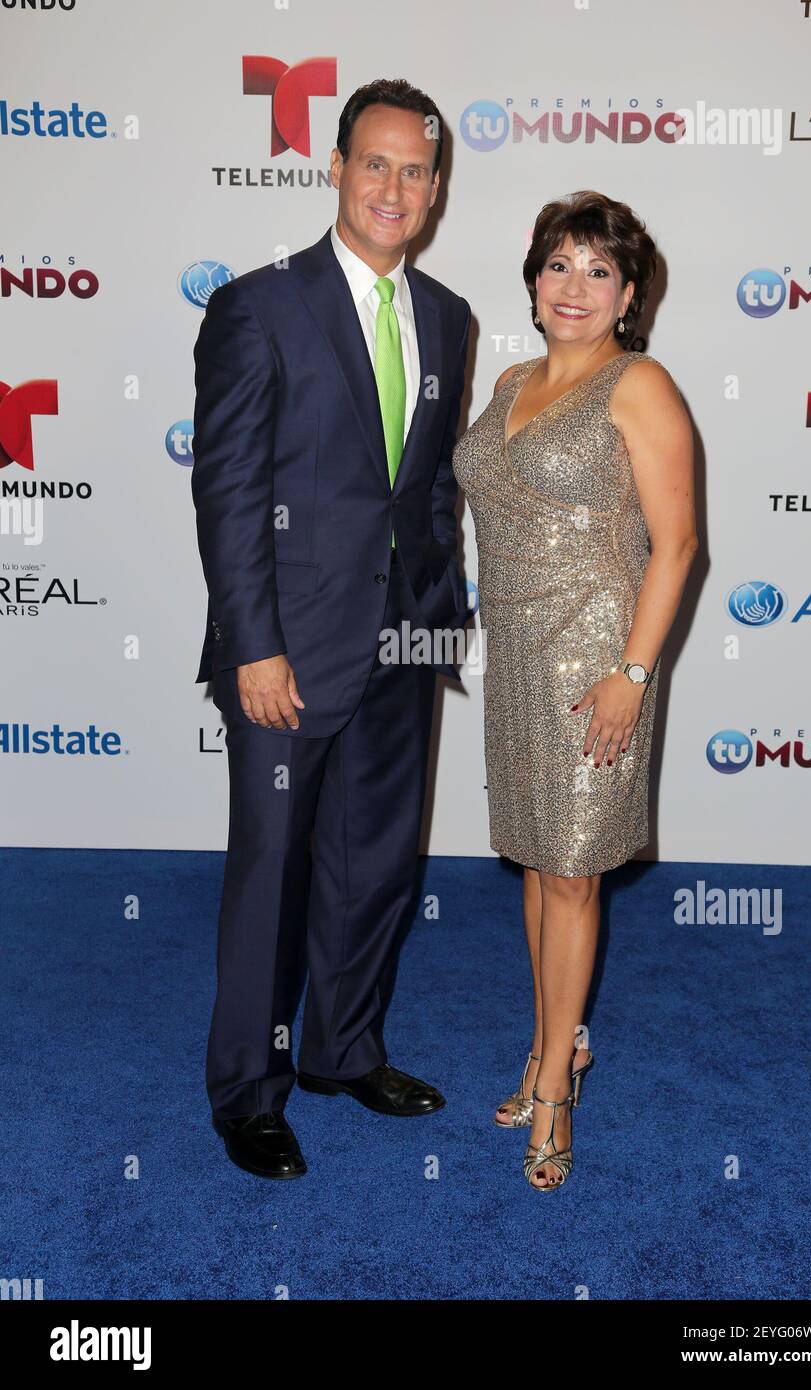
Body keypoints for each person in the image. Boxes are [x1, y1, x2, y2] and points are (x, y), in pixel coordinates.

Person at [191, 78, 471, 1180]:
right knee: (271, 877)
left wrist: (439, 621)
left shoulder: (445, 314)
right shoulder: (261, 305)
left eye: (414, 169)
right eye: (375, 162)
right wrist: (251, 645)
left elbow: (429, 489)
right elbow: (226, 491)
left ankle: (342, 1052)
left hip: (404, 645)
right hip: (288, 651)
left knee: (374, 870)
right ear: (336, 168)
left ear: (435, 187)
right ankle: (249, 1090)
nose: (393, 186)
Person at [452, 191, 697, 1192]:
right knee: (534, 861)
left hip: (597, 659)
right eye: (558, 264)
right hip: (514, 653)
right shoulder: (509, 379)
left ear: (628, 294)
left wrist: (630, 674)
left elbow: (675, 543)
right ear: (533, 279)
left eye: (598, 271)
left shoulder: (637, 385)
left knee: (572, 874)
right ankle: (554, 1040)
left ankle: (553, 1082)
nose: (574, 285)